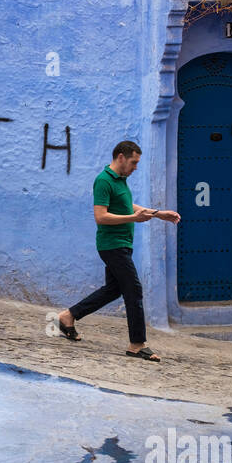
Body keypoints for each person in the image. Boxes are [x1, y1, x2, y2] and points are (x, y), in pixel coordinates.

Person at [56, 140, 180, 362]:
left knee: (114, 289)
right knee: (133, 289)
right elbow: (101, 216)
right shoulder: (103, 181)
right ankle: (137, 344)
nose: (135, 167)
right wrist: (135, 218)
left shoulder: (121, 181)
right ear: (121, 157)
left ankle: (68, 316)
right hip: (112, 245)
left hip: (122, 244)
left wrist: (158, 213)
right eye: (133, 162)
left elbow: (127, 206)